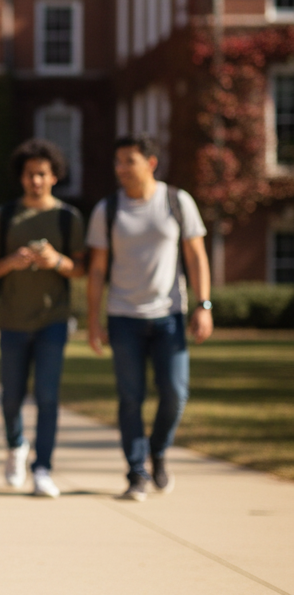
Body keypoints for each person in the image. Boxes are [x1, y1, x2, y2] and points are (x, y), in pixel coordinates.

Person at [86, 134, 212, 501]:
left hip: (169, 316)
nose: (121, 168)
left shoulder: (176, 201)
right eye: (118, 162)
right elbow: (96, 271)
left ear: (151, 163)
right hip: (123, 316)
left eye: (129, 161)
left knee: (175, 393)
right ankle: (136, 471)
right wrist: (94, 320)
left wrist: (203, 306)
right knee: (130, 397)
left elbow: (196, 257)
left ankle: (157, 448)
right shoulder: (108, 209)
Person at [0, 139, 86, 498]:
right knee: (11, 398)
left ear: (54, 176)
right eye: (30, 175)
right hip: (11, 320)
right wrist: (12, 262)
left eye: (42, 174)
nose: (36, 181)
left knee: (47, 396)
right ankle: (16, 447)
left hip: (52, 322)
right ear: (21, 177)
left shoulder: (67, 218)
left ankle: (43, 468)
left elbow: (80, 268)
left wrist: (56, 261)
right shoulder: (4, 216)